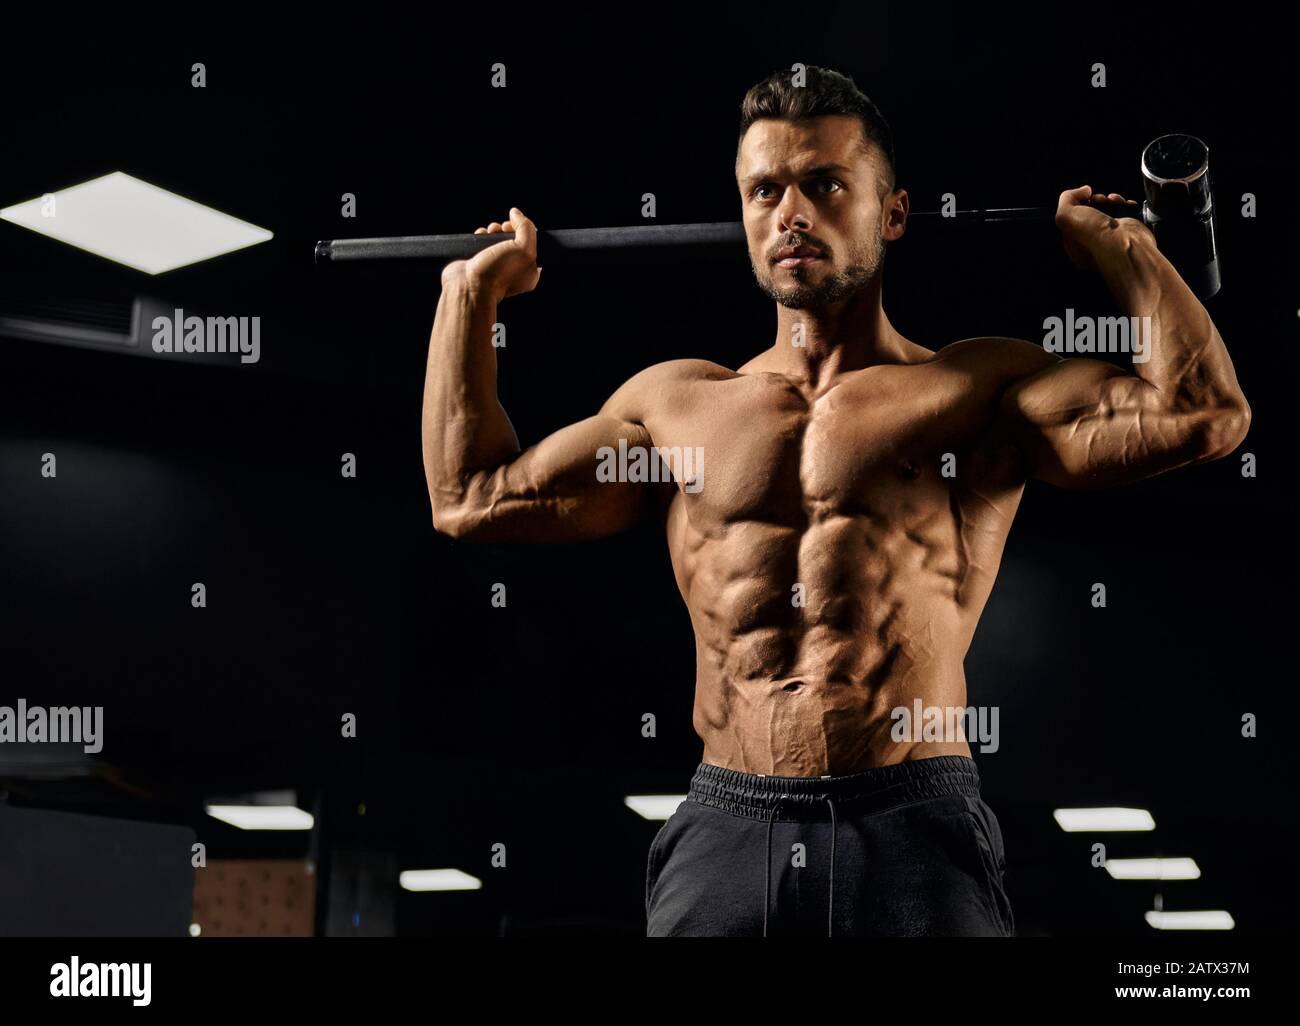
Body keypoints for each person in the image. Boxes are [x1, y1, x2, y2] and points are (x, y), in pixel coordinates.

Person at [420, 66, 1250, 936]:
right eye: (764, 190)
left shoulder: (972, 391)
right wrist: (467, 298)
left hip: (913, 827)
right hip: (725, 828)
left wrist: (1130, 254)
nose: (791, 213)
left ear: (892, 214)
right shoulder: (676, 406)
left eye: (825, 185)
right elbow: (470, 497)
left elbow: (1203, 415)